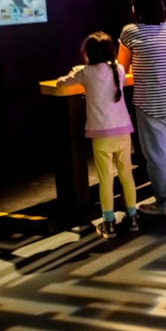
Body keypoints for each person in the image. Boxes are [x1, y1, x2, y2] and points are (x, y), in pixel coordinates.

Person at [56, 31, 138, 238]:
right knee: (126, 175)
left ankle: (108, 222)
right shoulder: (118, 69)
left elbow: (62, 83)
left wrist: (76, 71)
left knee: (105, 178)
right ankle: (132, 216)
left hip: (101, 134)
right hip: (123, 131)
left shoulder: (86, 73)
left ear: (88, 53)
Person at [118, 0, 166, 216]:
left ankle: (163, 203)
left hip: (152, 101)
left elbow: (122, 69)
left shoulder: (130, 31)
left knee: (156, 155)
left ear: (135, 9)